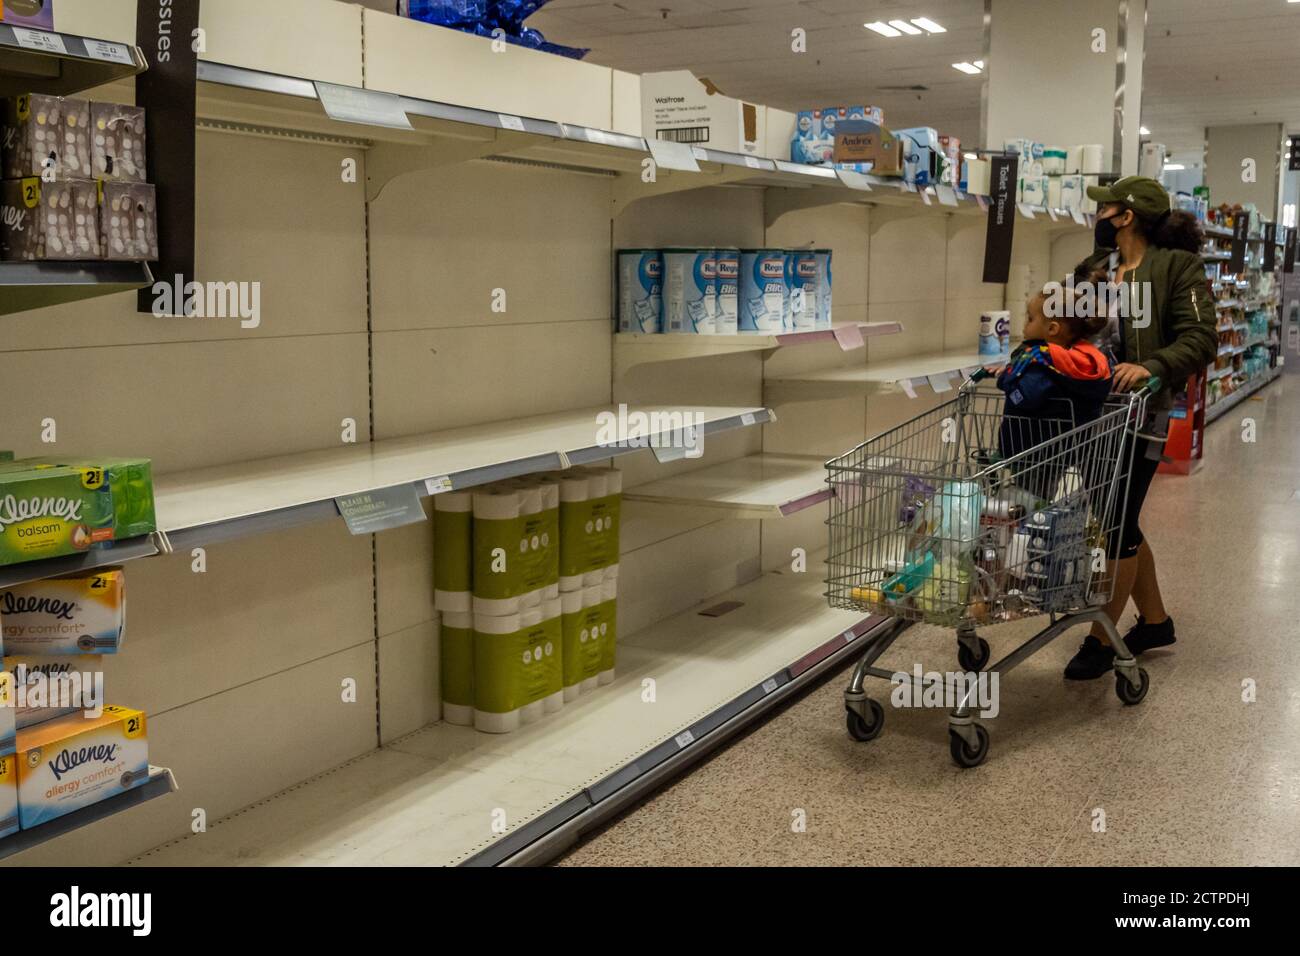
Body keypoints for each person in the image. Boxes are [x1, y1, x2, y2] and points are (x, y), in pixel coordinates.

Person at [1061, 176, 1218, 680]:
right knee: (1118, 520)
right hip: (1089, 416)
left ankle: (1100, 637)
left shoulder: (1177, 267)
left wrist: (1152, 366)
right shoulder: (1095, 270)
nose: (1097, 218)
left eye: (1103, 210)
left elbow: (1201, 338)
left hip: (1139, 417)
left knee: (1114, 526)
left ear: (1125, 217)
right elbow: (1062, 323)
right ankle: (1154, 622)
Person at [995, 277, 1113, 502]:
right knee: (1040, 494)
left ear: (1052, 328)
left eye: (1030, 319)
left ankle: (1031, 533)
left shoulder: (1043, 364)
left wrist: (1007, 381)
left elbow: (1025, 397)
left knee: (1030, 502)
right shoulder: (1076, 361)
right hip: (1061, 449)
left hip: (1033, 450)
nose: (1025, 324)